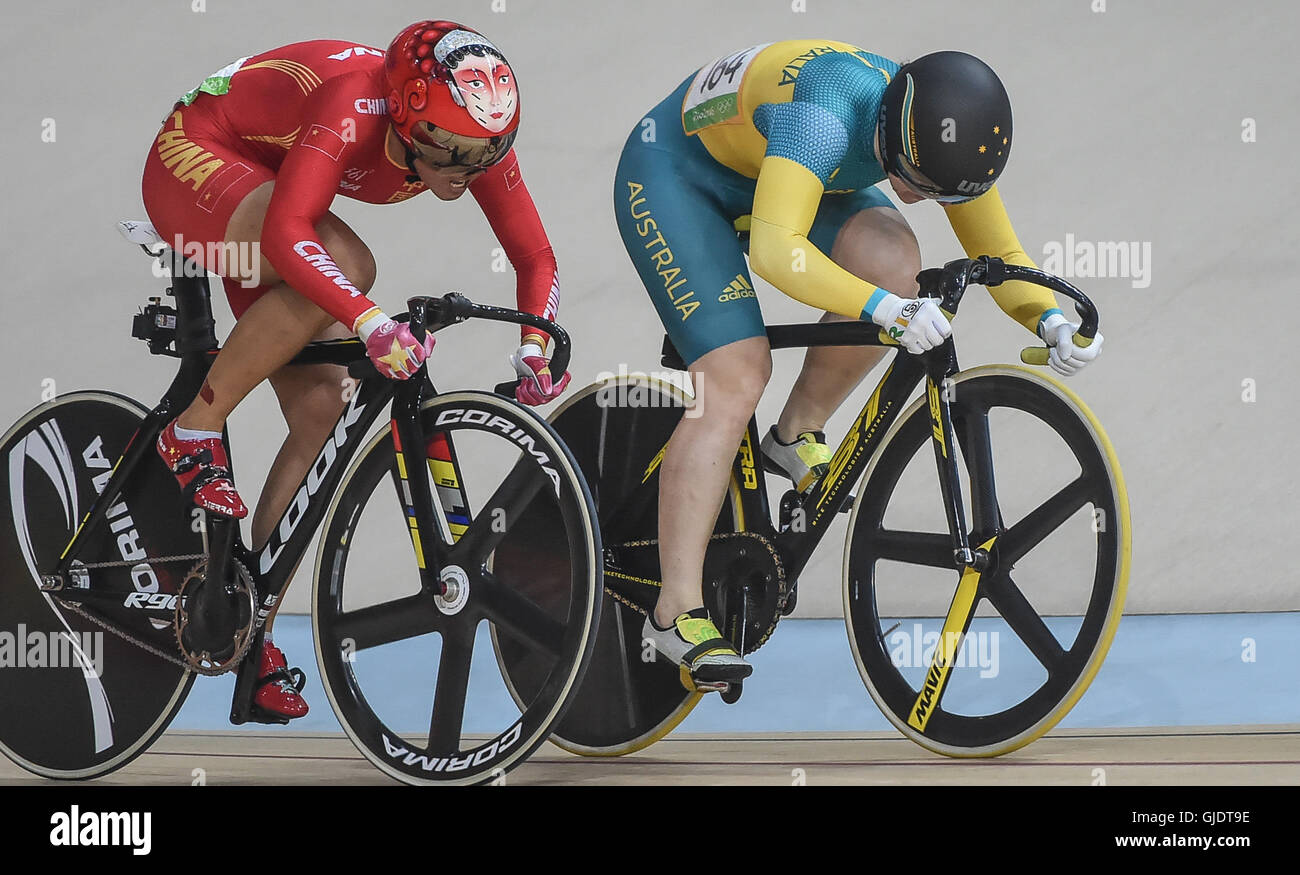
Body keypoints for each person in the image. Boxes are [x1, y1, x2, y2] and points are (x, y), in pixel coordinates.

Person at [613, 42, 1103, 685]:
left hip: (776, 168)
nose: (926, 199)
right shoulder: (822, 116)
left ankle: (793, 435)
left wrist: (1052, 319)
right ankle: (674, 609)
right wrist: (886, 313)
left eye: (942, 193)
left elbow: (998, 250)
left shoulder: (936, 136)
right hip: (677, 177)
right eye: (920, 185)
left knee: (897, 265)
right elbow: (776, 252)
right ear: (895, 139)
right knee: (736, 375)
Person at [143, 20, 569, 721]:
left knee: (323, 410)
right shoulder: (354, 104)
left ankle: (252, 633)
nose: (466, 168)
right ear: (404, 122)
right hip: (197, 153)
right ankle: (195, 427)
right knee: (351, 266)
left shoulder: (465, 128)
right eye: (448, 151)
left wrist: (534, 346)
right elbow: (287, 232)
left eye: (484, 151)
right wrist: (371, 321)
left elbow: (536, 259)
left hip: (273, 180)